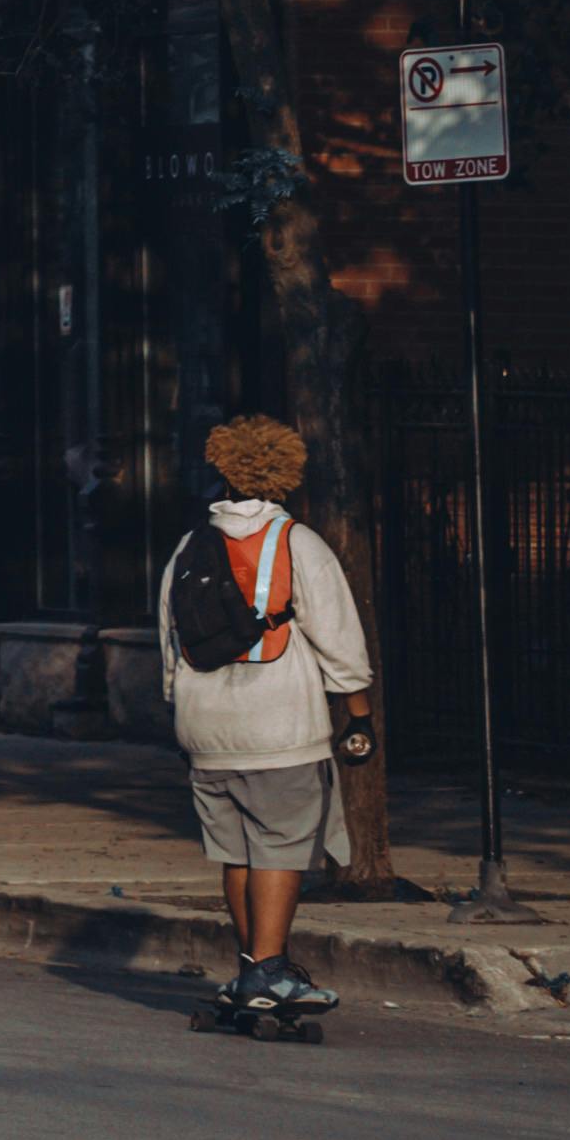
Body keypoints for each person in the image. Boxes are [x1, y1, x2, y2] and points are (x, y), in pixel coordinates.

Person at [160, 410, 373, 1027]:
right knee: (280, 848)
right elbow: (338, 639)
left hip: (205, 727)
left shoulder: (188, 547)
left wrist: (179, 708)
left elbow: (169, 640)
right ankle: (271, 973)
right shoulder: (296, 543)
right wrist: (358, 715)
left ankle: (253, 966)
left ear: (223, 473)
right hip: (278, 724)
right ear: (285, 478)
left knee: (237, 851)